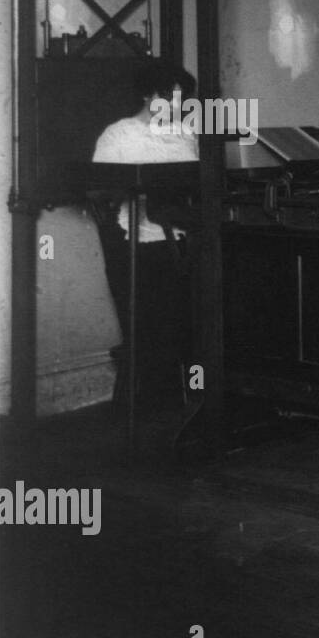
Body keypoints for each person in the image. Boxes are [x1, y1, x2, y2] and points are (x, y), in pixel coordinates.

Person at [92, 59, 200, 410]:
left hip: (186, 236)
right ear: (146, 94)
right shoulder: (119, 134)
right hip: (142, 245)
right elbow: (100, 192)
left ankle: (217, 396)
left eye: (181, 99)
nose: (176, 106)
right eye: (168, 97)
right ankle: (163, 396)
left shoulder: (185, 133)